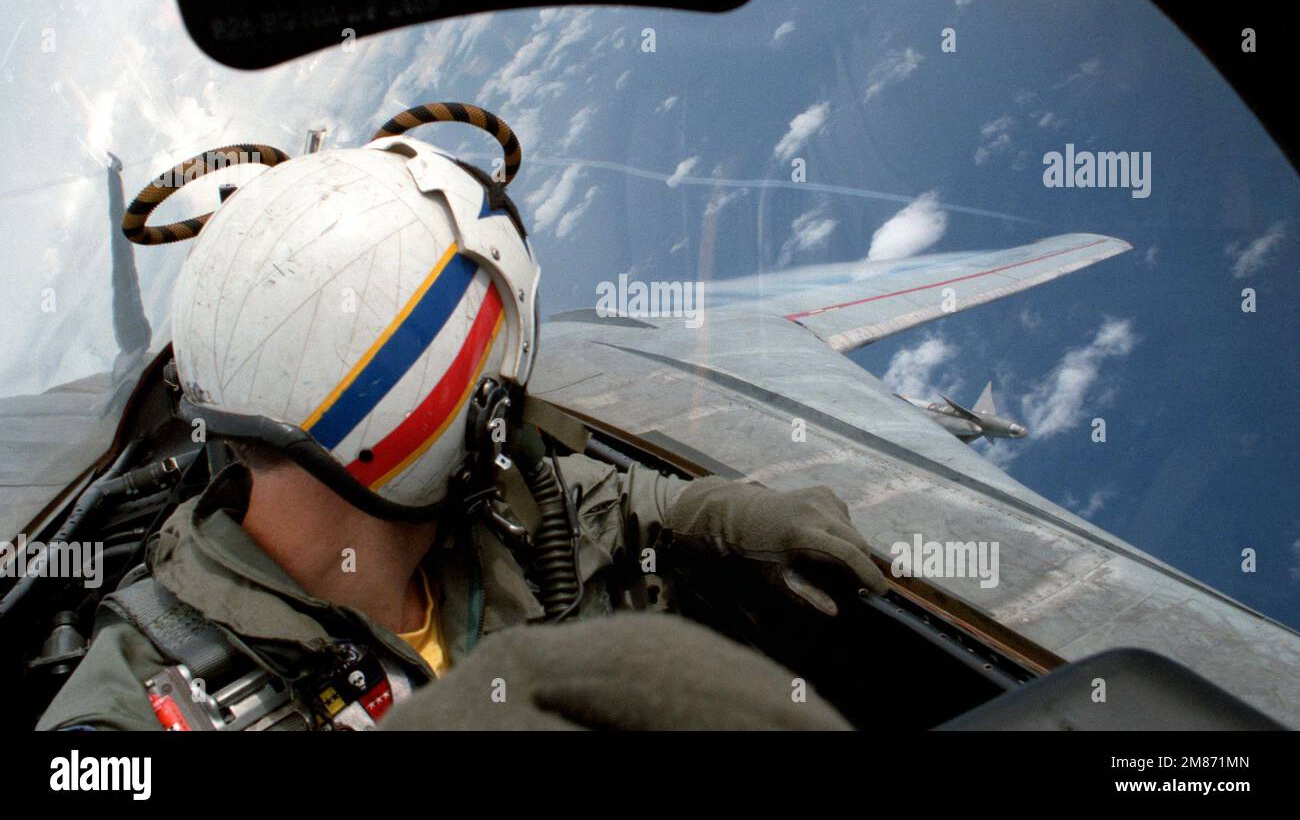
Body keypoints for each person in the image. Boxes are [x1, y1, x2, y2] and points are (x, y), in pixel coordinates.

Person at [38, 124, 886, 730]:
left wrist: (721, 518)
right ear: (445, 415)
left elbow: (614, 503)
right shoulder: (139, 707)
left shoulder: (473, 518)